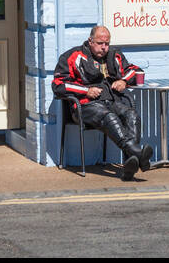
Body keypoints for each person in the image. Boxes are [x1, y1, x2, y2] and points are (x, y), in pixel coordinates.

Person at [52, 26, 154, 180]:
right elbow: (59, 84)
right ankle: (138, 153)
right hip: (85, 105)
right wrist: (85, 91)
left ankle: (129, 167)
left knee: (131, 114)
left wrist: (124, 81)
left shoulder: (115, 55)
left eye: (107, 43)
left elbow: (136, 70)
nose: (104, 47)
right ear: (90, 41)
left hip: (111, 100)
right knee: (108, 116)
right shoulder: (72, 56)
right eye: (100, 43)